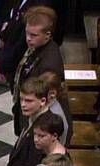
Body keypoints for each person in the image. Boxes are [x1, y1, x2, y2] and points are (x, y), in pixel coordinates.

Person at [9, 7, 63, 136]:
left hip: (36, 121)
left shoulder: (49, 63)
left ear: (47, 35)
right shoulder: (35, 48)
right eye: (27, 33)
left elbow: (46, 103)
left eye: (33, 35)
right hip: (25, 111)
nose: (28, 39)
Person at [4, 75, 52, 166]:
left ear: (42, 101)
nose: (23, 105)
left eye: (29, 101)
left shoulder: (43, 130)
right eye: (21, 99)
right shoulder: (31, 118)